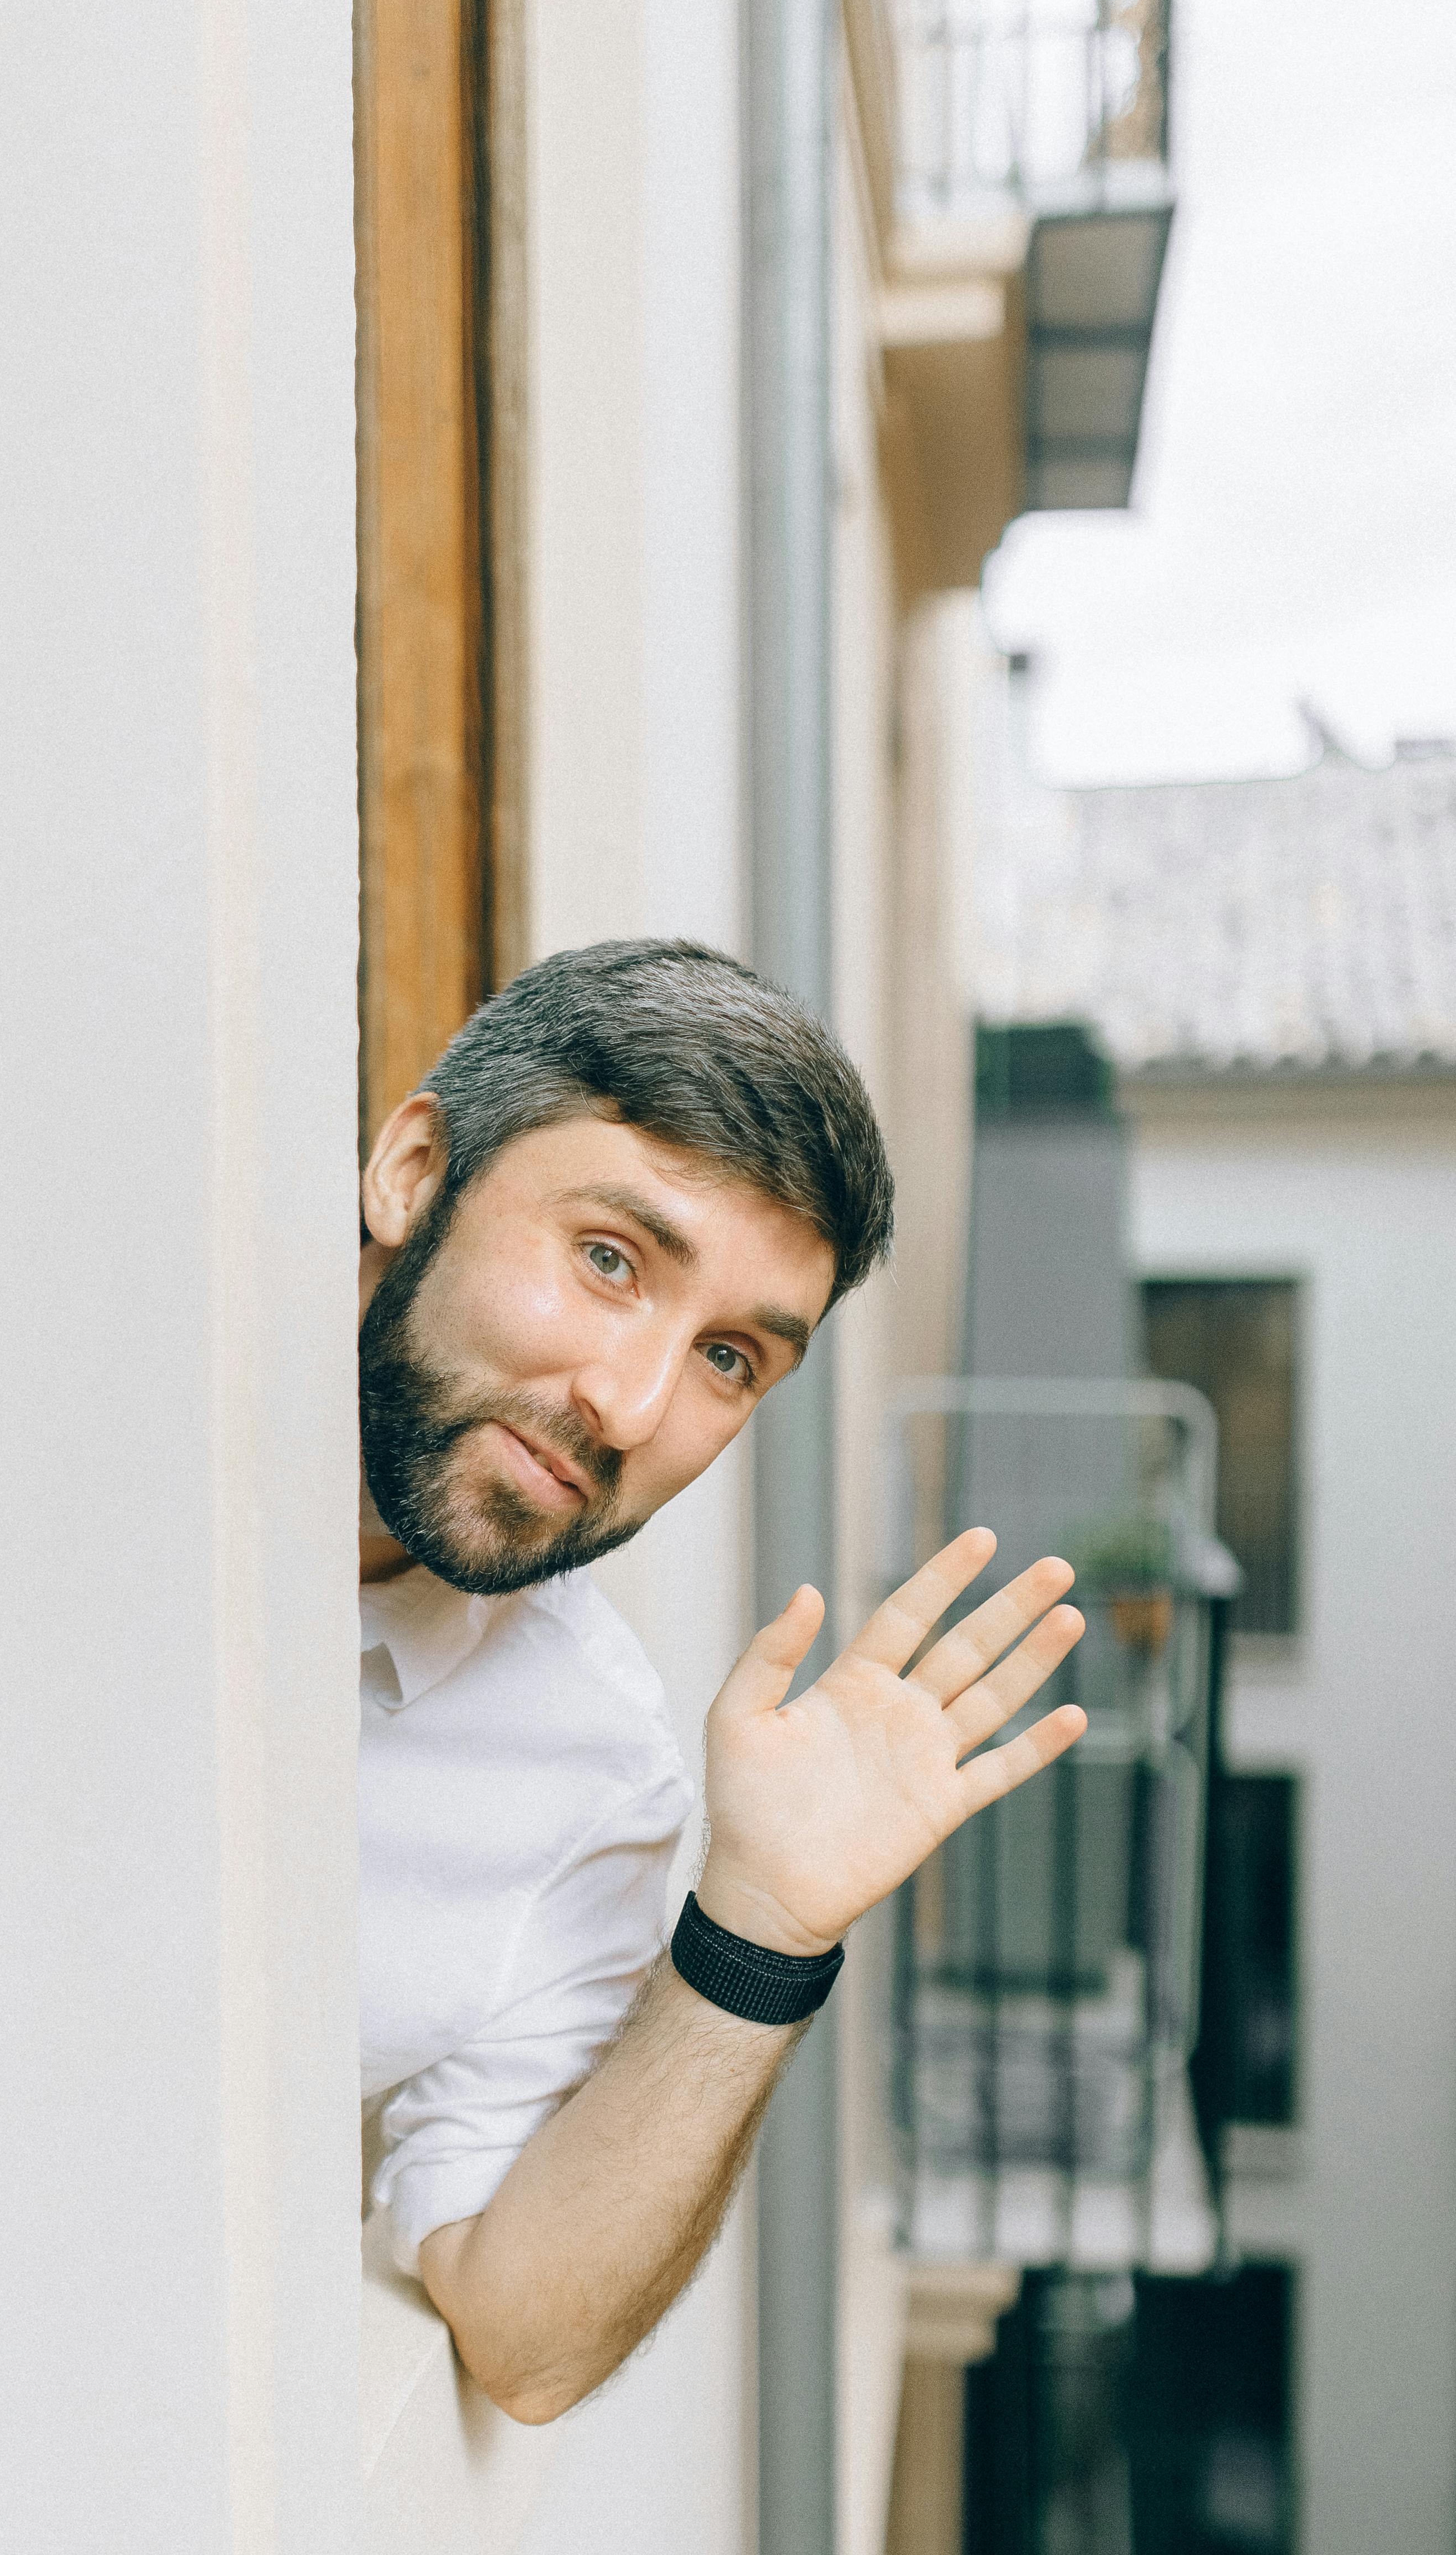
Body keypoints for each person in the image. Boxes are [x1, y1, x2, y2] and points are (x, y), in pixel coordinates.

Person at [359, 937, 1085, 2424]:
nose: (629, 1406)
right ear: (412, 1170)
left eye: (731, 1360)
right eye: (610, 1259)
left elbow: (526, 2333)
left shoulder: (583, 1760)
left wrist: (765, 1925)